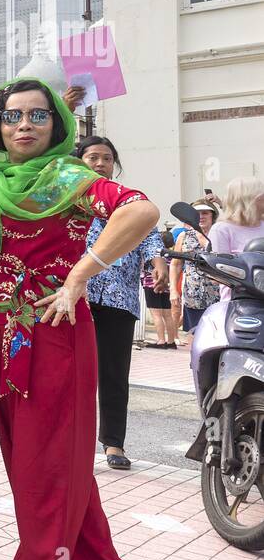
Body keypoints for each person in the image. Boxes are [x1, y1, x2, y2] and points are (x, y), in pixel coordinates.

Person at [0, 78, 155, 560]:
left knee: (45, 473)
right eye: (12, 116)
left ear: (57, 124)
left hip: (54, 335)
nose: (24, 125)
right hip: (0, 336)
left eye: (37, 115)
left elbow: (140, 211)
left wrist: (80, 276)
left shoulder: (70, 176)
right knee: (48, 469)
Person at [75, 135, 167, 470]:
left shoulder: (127, 200)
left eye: (107, 158)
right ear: (79, 160)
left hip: (120, 298)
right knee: (75, 375)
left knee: (114, 373)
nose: (100, 163)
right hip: (75, 297)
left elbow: (150, 233)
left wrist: (158, 262)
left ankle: (113, 443)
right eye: (93, 157)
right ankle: (76, 442)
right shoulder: (68, 198)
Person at [208, 176, 264, 300]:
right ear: (249, 201)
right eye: (262, 198)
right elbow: (217, 275)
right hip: (238, 303)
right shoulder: (221, 229)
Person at [171, 199, 219, 334]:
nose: (201, 216)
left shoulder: (220, 235)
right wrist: (174, 290)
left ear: (212, 216)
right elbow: (176, 264)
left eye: (205, 213)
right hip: (193, 296)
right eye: (197, 213)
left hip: (219, 296)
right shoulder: (184, 236)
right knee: (195, 335)